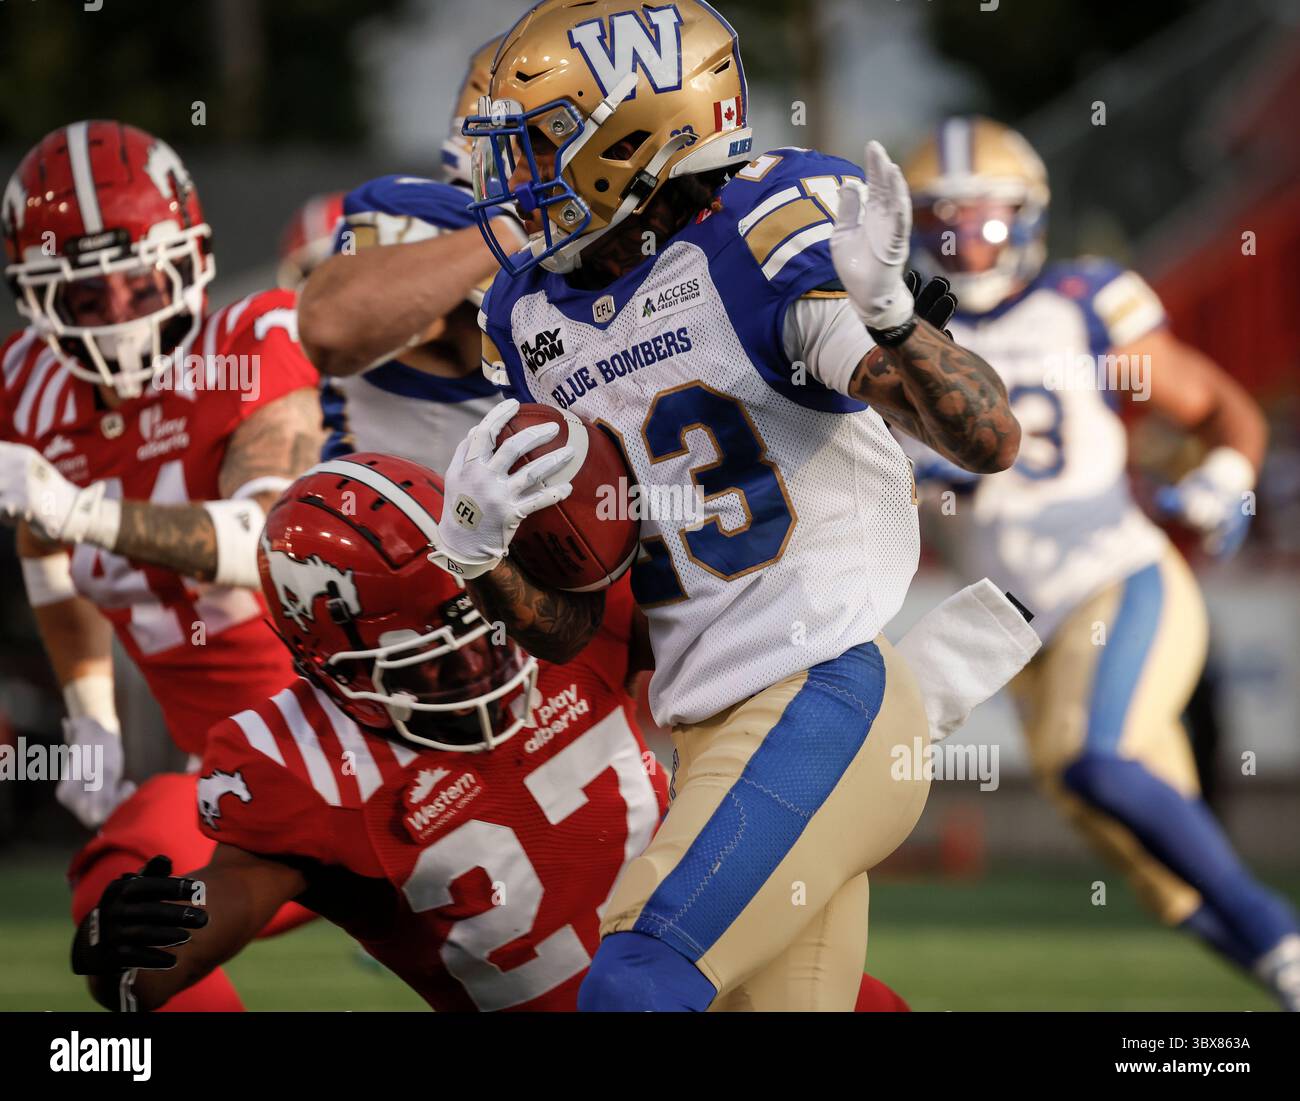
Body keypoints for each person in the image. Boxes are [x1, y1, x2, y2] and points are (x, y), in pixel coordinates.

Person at [448, 0, 1020, 1010]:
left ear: (628, 136)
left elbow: (983, 440)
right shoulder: (525, 311)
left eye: (536, 143)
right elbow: (580, 620)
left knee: (634, 983)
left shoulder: (754, 237)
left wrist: (890, 318)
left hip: (821, 698)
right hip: (707, 726)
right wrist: (480, 552)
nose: (507, 178)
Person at [900, 115, 1299, 1009]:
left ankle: (1283, 936)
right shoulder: (895, 340)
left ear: (1031, 219)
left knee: (1097, 759)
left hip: (1118, 575)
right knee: (1167, 882)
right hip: (1021, 634)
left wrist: (1226, 478)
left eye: (988, 220)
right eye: (943, 223)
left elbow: (1221, 407)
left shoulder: (1081, 302)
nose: (966, 242)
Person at [70, 453, 669, 1011]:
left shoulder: (557, 607)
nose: (478, 674)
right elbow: (187, 937)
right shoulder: (307, 763)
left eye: (487, 633)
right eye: (430, 665)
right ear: (325, 665)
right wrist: (123, 945)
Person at [0, 120, 323, 1010]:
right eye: (85, 298)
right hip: (235, 789)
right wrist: (91, 714)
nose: (121, 317)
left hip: (365, 740)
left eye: (138, 283)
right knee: (127, 918)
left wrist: (80, 508)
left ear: (190, 260)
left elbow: (266, 537)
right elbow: (45, 554)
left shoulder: (255, 339)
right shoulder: (27, 384)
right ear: (37, 301)